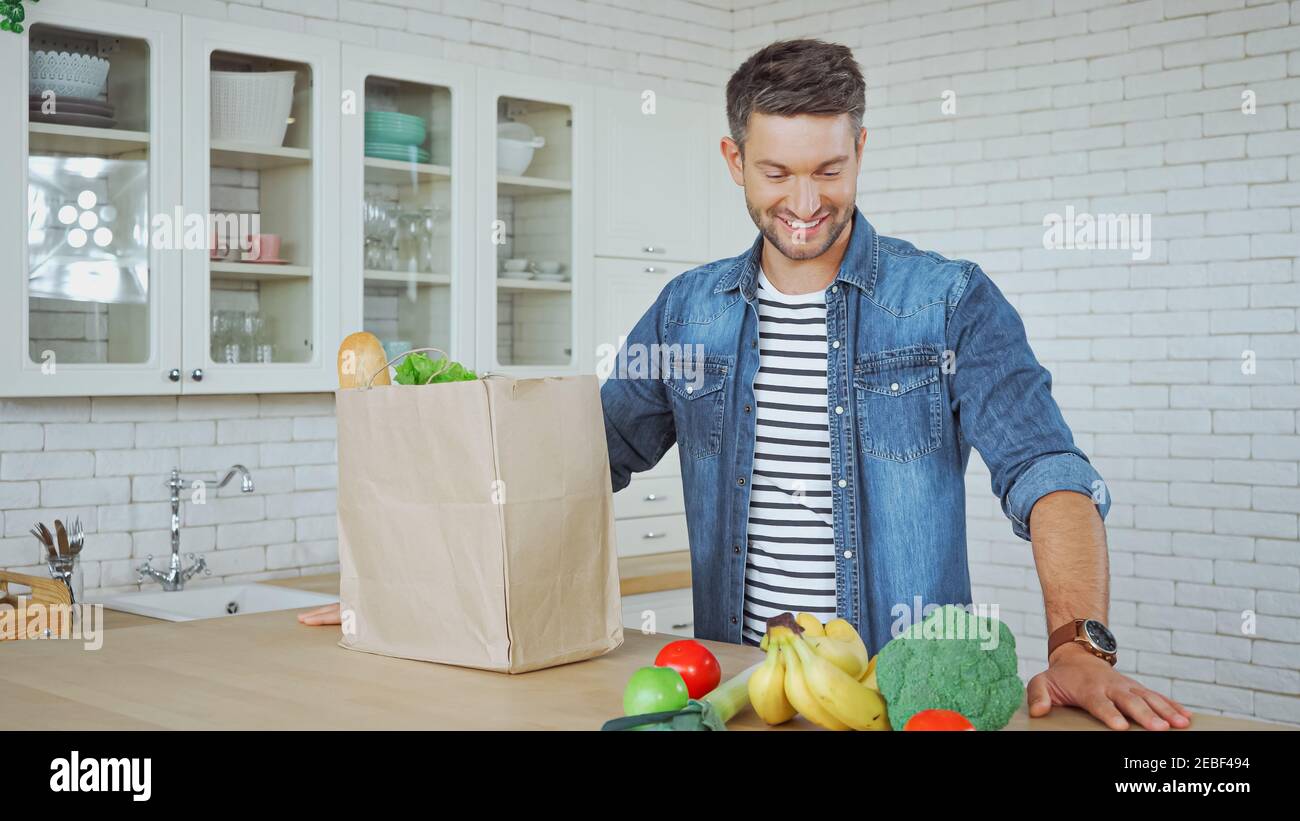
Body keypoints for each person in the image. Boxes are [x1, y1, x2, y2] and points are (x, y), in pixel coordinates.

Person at [304, 37, 1191, 731]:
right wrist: (411, 579)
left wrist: (1079, 645)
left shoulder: (949, 301)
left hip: (910, 702)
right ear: (734, 159)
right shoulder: (688, 313)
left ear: (860, 150)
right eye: (776, 171)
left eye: (828, 169)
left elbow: (1048, 472)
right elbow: (572, 461)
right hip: (736, 697)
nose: (804, 200)